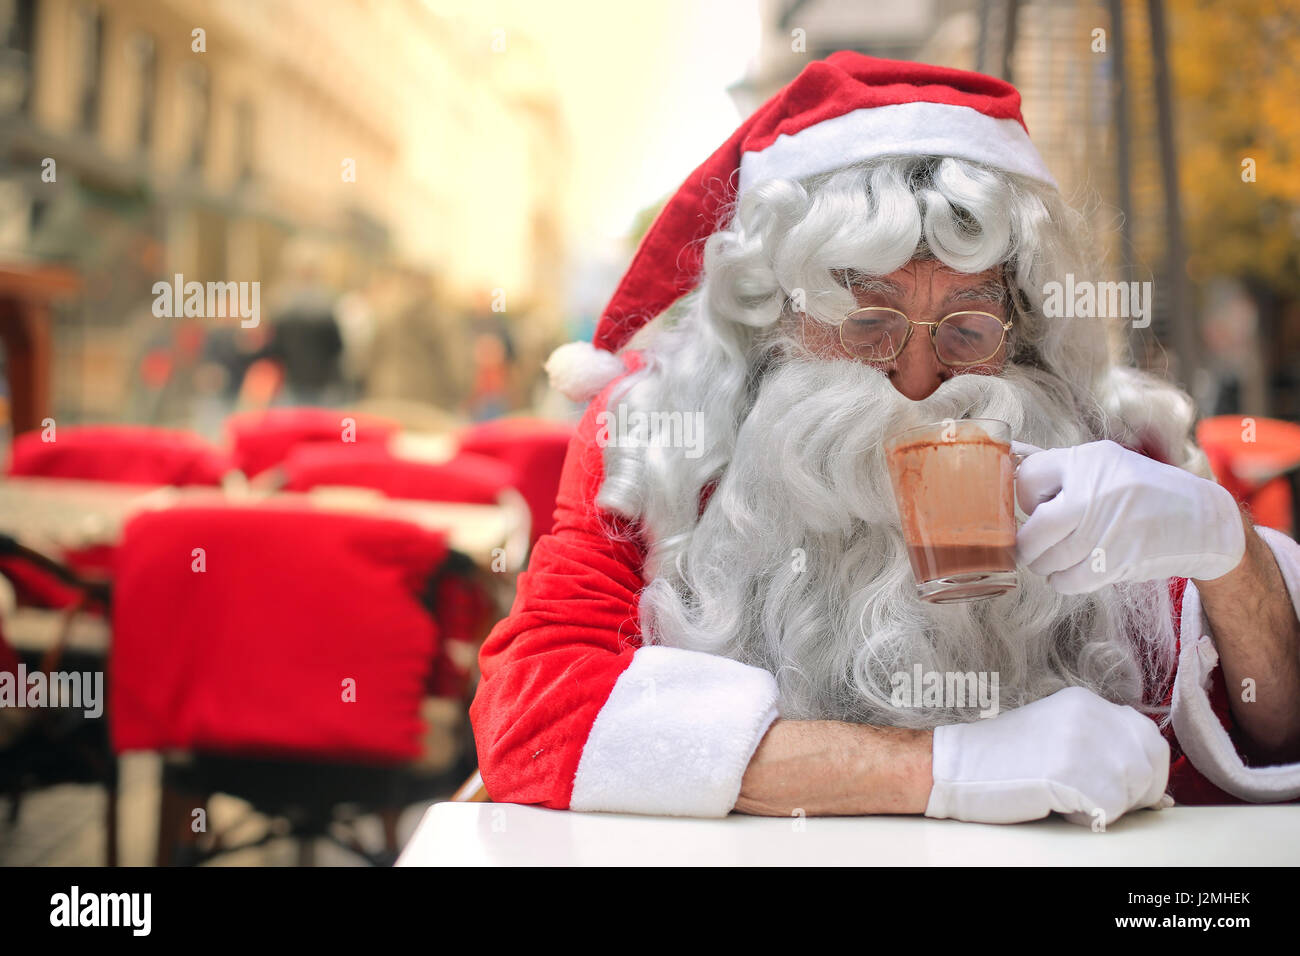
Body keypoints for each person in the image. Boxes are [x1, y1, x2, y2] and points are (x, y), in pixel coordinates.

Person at [469, 53, 1300, 824]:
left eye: (970, 327)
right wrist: (939, 768)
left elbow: (1277, 728)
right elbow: (537, 716)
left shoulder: (1100, 439)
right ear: (781, 318)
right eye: (867, 321)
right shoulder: (654, 441)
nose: (917, 377)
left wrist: (1228, 551)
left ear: (1026, 324)